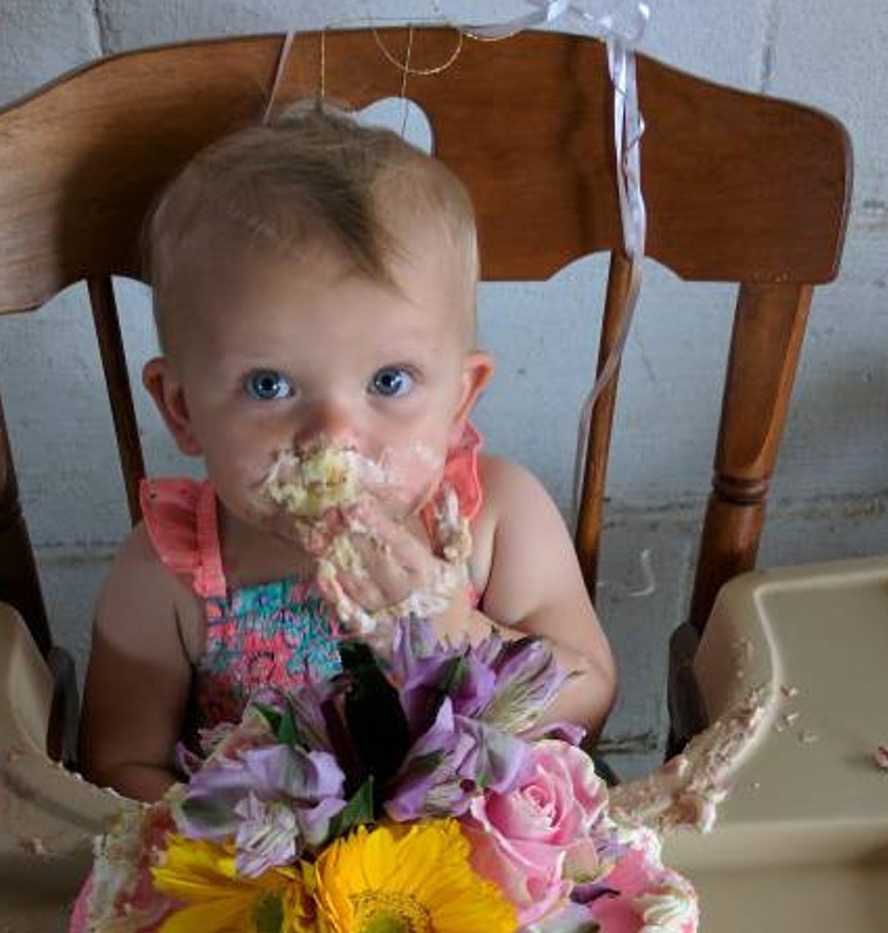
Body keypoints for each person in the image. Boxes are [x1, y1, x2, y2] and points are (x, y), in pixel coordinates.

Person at [78, 101, 617, 799]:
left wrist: (451, 627)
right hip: (258, 883)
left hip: (475, 875)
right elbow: (117, 768)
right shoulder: (167, 573)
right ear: (182, 407)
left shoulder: (497, 519)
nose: (331, 435)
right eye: (268, 385)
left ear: (459, 397)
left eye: (388, 381)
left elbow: (590, 698)